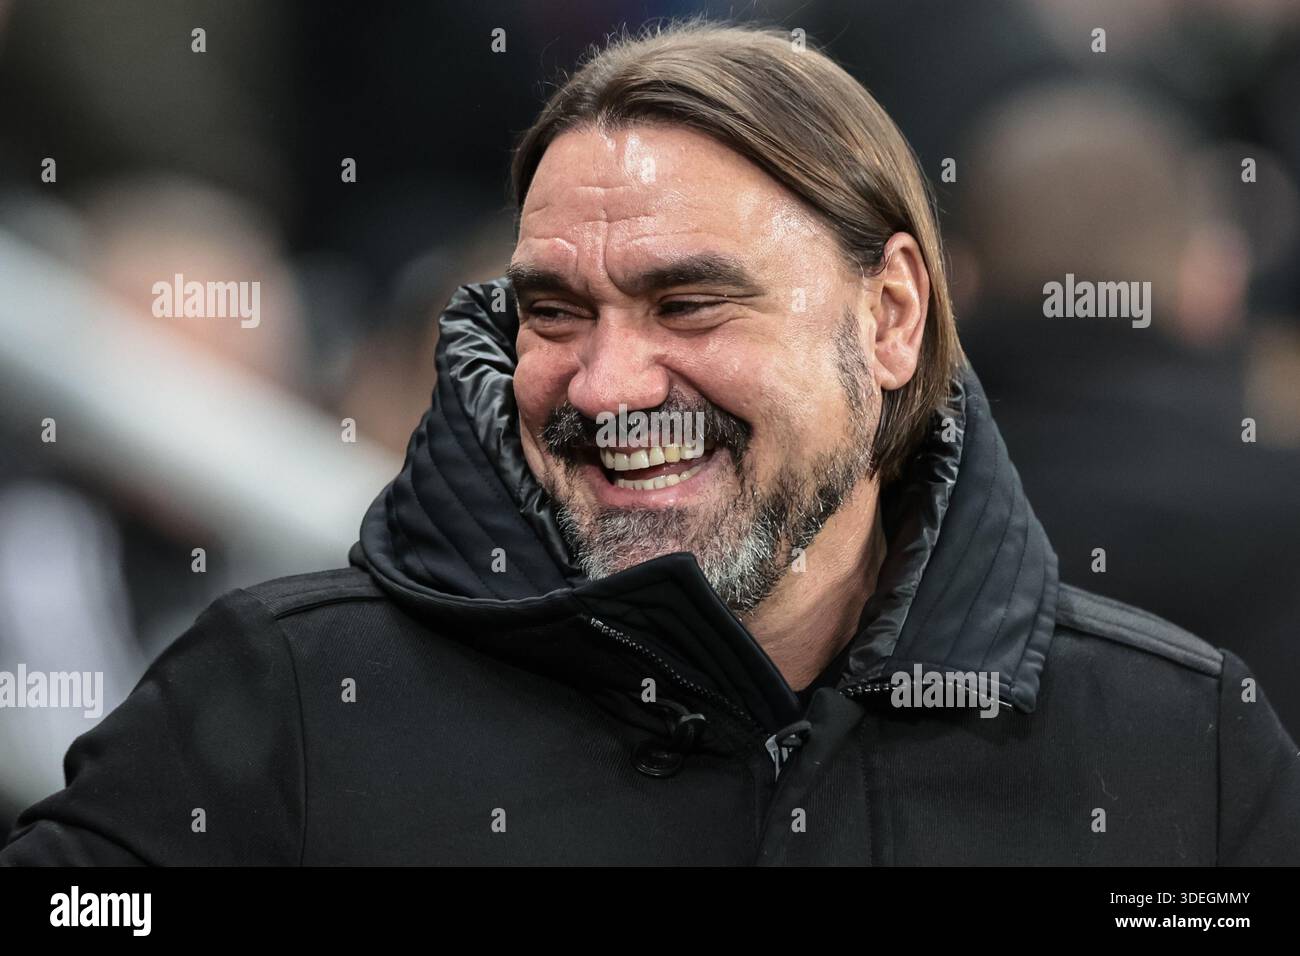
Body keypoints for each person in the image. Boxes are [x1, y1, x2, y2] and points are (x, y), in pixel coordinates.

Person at [4, 21, 1297, 866]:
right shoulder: (279, 702)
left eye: (691, 303)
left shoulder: (1176, 747)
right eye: (555, 313)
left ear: (892, 316)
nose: (610, 384)